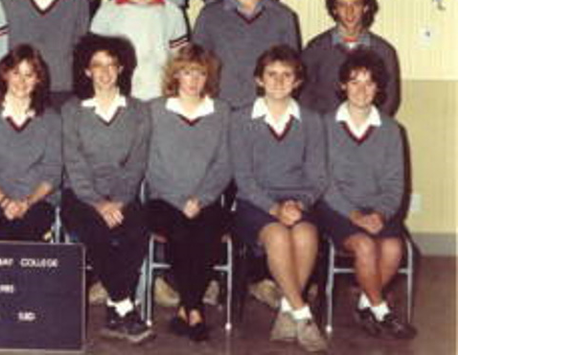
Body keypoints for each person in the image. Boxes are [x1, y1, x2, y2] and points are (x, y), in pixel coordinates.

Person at [229, 45, 328, 352]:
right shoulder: (241, 119)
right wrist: (274, 208)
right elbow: (243, 178)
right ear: (259, 79)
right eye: (271, 74)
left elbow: (318, 176)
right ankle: (302, 314)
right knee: (278, 236)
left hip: (298, 202)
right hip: (254, 203)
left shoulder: (311, 120)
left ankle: (287, 310)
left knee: (306, 234)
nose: (279, 81)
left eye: (287, 75)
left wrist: (301, 204)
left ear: (297, 81)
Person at [316, 50, 416, 339]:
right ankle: (382, 311)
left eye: (369, 83)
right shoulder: (324, 125)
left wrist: (381, 213)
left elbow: (395, 183)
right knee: (364, 246)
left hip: (377, 208)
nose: (361, 90)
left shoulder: (391, 130)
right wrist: (354, 215)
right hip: (337, 208)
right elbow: (323, 182)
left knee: (393, 247)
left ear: (379, 88)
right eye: (354, 82)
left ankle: (364, 303)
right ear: (342, 86)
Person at [61, 34, 154, 344]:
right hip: (81, 196)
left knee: (138, 230)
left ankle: (115, 307)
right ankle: (124, 306)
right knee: (96, 231)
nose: (104, 72)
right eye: (97, 65)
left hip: (123, 196)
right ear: (86, 71)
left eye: (111, 64)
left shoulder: (139, 110)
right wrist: (98, 203)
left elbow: (137, 163)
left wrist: (120, 200)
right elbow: (74, 165)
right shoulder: (72, 110)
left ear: (122, 68)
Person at [145, 44, 232, 342]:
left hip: (207, 200)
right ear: (175, 75)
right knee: (181, 230)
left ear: (208, 77)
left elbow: (224, 164)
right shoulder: (155, 110)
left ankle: (188, 309)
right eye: (186, 72)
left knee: (207, 231)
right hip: (164, 200)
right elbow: (150, 164)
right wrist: (180, 201)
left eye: (200, 73)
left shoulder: (221, 112)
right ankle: (195, 309)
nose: (193, 80)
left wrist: (201, 199)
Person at [192, 0, 299, 109]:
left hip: (267, 110)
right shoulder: (209, 16)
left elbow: (292, 71)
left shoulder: (283, 16)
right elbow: (195, 66)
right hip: (222, 109)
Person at [0, 45, 62, 241]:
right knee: (1, 228)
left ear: (38, 79)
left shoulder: (51, 119)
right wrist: (5, 202)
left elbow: (53, 172)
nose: (21, 81)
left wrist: (27, 203)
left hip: (38, 200)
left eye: (29, 75)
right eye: (16, 73)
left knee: (28, 228)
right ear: (5, 75)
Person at [91, 0, 188, 101]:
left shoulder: (173, 13)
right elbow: (95, 63)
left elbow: (180, 63)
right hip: (120, 100)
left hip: (161, 98)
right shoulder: (106, 13)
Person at [301, 0, 401, 116]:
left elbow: (389, 99)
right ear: (334, 9)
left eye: (356, 4)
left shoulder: (384, 51)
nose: (349, 12)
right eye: (342, 5)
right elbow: (304, 96)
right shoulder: (315, 49)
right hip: (325, 127)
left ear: (365, 7)